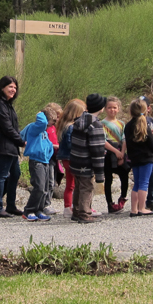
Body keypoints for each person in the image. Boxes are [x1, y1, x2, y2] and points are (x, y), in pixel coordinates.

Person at [0, 76, 25, 218]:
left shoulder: (7, 105)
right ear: (2, 87)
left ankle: (10, 206)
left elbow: (13, 127)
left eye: (15, 87)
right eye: (10, 87)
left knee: (15, 174)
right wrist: (21, 142)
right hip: (4, 146)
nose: (13, 90)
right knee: (2, 175)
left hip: (11, 146)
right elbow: (7, 128)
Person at [69, 94, 107, 223]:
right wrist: (100, 173)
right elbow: (96, 149)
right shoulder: (95, 124)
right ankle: (84, 213)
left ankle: (76, 211)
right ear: (101, 108)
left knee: (78, 186)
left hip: (76, 160)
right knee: (87, 187)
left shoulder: (78, 121)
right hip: (87, 162)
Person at [20, 105, 58, 221]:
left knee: (45, 188)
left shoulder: (44, 132)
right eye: (50, 122)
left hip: (45, 161)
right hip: (37, 161)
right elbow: (41, 123)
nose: (51, 125)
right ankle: (29, 210)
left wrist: (50, 152)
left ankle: (39, 209)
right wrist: (41, 114)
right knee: (39, 187)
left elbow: (47, 144)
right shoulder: (35, 128)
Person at [123, 99, 153, 216]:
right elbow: (152, 144)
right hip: (146, 158)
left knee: (136, 183)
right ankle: (142, 207)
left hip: (134, 158)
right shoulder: (144, 125)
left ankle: (134, 209)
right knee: (144, 183)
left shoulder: (128, 126)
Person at [56, 99, 86, 217]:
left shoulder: (63, 126)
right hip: (72, 158)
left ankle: (68, 207)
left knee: (70, 184)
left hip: (65, 159)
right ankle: (80, 206)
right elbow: (70, 143)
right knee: (80, 183)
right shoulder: (72, 127)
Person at [101, 96, 130, 213]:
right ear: (105, 109)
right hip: (109, 153)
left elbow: (124, 139)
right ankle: (110, 203)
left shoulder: (121, 124)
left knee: (124, 175)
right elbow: (103, 140)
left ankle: (123, 197)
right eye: (109, 108)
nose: (112, 110)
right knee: (108, 179)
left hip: (120, 151)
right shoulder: (102, 123)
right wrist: (115, 151)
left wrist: (122, 153)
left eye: (114, 108)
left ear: (118, 109)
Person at [42, 103, 62, 216]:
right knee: (48, 181)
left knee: (52, 180)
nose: (57, 120)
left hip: (54, 157)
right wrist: (55, 146)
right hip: (47, 157)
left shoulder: (54, 128)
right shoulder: (45, 129)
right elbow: (46, 142)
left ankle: (47, 202)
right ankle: (45, 204)